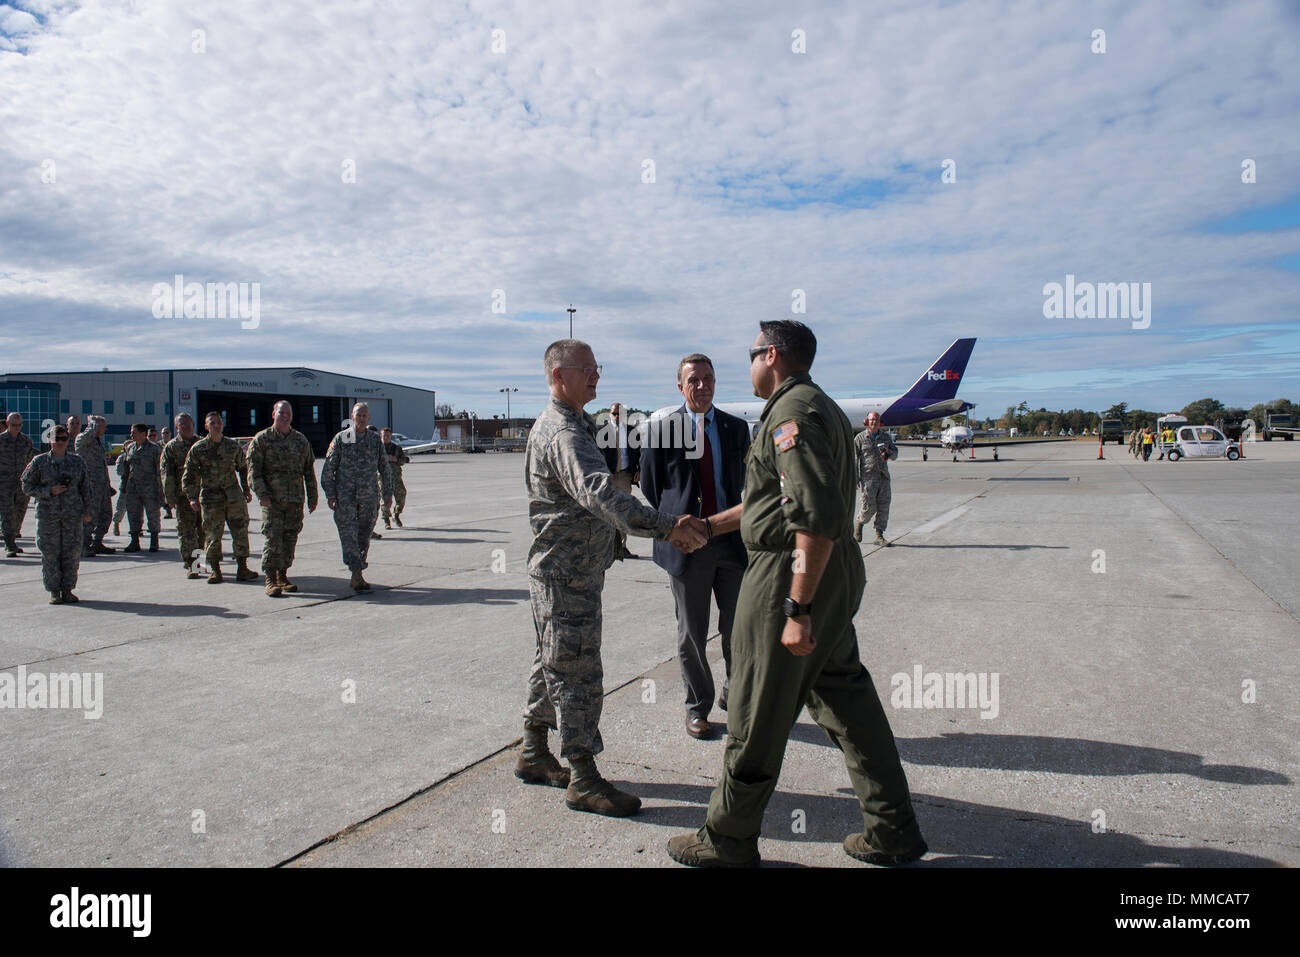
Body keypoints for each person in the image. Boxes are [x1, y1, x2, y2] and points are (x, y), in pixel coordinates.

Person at [667, 320, 926, 868]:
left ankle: (727, 839)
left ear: (774, 355)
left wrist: (797, 608)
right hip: (827, 569)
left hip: (793, 572)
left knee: (755, 708)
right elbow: (779, 503)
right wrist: (710, 526)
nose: (750, 363)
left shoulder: (790, 414)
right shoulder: (818, 406)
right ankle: (893, 830)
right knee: (848, 701)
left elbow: (813, 515)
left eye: (753, 353)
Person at [518, 338, 707, 817]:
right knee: (578, 673)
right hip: (567, 575)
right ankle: (583, 777)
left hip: (570, 570)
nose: (596, 376)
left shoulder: (580, 424)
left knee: (551, 661)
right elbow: (600, 494)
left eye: (597, 368)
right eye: (587, 369)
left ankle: (534, 752)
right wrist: (668, 526)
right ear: (559, 375)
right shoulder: (563, 431)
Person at [639, 354, 750, 740]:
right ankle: (697, 706)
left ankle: (734, 697)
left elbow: (743, 484)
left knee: (739, 630)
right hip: (688, 547)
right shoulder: (661, 430)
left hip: (732, 542)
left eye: (708, 379)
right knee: (693, 633)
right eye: (694, 380)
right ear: (680, 386)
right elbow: (652, 488)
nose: (702, 386)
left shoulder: (736, 429)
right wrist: (678, 526)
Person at [248, 400, 319, 597]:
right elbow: (254, 471)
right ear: (273, 414)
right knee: (273, 539)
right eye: (281, 413)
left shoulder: (300, 440)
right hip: (273, 501)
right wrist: (262, 495)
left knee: (290, 539)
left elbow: (308, 470)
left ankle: (283, 575)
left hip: (295, 500)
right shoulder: (262, 440)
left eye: (288, 413)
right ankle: (270, 579)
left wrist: (312, 496)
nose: (285, 416)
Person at [320, 403, 392, 592]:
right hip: (346, 499)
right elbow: (329, 468)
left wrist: (388, 494)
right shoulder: (342, 439)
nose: (361, 418)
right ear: (352, 416)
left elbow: (385, 469)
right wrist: (330, 494)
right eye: (358, 415)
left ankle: (358, 568)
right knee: (349, 536)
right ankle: (356, 573)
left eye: (364, 415)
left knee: (364, 535)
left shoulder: (375, 440)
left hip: (369, 498)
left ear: (369, 418)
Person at [182, 411, 257, 584]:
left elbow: (243, 467)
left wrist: (246, 489)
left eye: (219, 423)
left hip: (233, 497)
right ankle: (215, 570)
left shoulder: (232, 446)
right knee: (212, 535)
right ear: (206, 426)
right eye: (212, 423)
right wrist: (192, 497)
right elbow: (189, 475)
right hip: (211, 498)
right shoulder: (199, 448)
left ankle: (242, 568)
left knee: (240, 531)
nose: (216, 426)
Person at [20, 425, 92, 603]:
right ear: (49, 440)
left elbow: (86, 488)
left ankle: (67, 589)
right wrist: (48, 491)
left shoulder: (77, 461)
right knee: (50, 554)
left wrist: (87, 511)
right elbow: (26, 486)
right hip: (48, 516)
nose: (60, 442)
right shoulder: (39, 461)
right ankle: (54, 591)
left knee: (71, 553)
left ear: (68, 440)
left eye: (63, 439)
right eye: (56, 439)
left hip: (72, 515)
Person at [161, 414, 202, 578]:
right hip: (183, 496)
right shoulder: (171, 447)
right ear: (176, 427)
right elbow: (166, 474)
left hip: (203, 495)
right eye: (181, 424)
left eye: (188, 423)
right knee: (187, 532)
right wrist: (169, 498)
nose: (185, 426)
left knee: (202, 531)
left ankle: (198, 563)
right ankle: (191, 563)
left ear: (194, 424)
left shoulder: (201, 444)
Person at [599, 403, 641, 560]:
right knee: (607, 512)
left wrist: (638, 470)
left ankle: (621, 547)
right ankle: (606, 547)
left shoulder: (631, 431)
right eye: (614, 413)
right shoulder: (602, 432)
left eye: (620, 413)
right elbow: (597, 454)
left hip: (624, 476)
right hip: (608, 476)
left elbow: (639, 452)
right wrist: (606, 472)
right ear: (609, 414)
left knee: (623, 511)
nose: (617, 416)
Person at [853, 411, 898, 546]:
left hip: (883, 477)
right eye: (872, 419)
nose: (874, 422)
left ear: (880, 422)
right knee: (869, 507)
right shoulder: (860, 438)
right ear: (867, 421)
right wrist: (856, 477)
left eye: (877, 420)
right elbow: (854, 459)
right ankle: (859, 523)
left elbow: (895, 454)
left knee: (884, 507)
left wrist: (888, 453)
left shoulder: (885, 437)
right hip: (868, 479)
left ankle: (879, 535)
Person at [117, 423, 163, 552]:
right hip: (133, 488)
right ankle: (134, 541)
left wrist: (161, 490)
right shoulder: (130, 447)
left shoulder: (154, 449)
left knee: (153, 514)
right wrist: (124, 486)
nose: (131, 434)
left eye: (134, 432)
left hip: (150, 487)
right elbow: (126, 468)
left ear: (143, 434)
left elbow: (160, 470)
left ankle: (154, 541)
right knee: (133, 514)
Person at [75, 416, 116, 556]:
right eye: (103, 427)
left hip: (102, 487)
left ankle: (97, 542)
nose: (105, 430)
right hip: (90, 487)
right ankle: (84, 545)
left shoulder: (98, 442)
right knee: (89, 517)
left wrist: (108, 485)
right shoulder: (83, 439)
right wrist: (93, 423)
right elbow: (88, 434)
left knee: (106, 515)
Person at [1, 413, 35, 557]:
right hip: (4, 484)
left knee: (19, 513)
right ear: (8, 424)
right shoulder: (1, 440)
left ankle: (13, 538)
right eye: (14, 425)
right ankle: (9, 544)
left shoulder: (26, 441)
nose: (17, 428)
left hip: (21, 484)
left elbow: (30, 463)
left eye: (19, 425)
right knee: (7, 514)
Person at [380, 427, 409, 529]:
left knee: (402, 496)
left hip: (396, 477)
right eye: (384, 435)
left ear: (390, 436)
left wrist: (395, 459)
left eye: (388, 435)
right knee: (385, 500)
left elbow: (403, 460)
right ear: (381, 436)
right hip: (383, 478)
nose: (386, 437)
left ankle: (396, 515)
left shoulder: (397, 448)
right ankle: (386, 520)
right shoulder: (378, 448)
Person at [111, 434, 135, 536]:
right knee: (121, 508)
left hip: (136, 486)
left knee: (136, 509)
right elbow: (119, 471)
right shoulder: (122, 458)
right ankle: (116, 524)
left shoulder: (136, 456)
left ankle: (135, 528)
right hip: (125, 486)